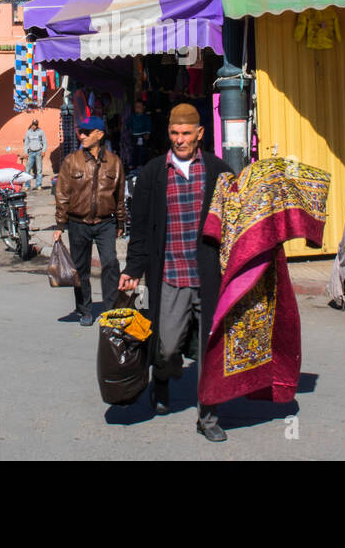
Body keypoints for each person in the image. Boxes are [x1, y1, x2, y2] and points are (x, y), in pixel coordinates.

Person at [120, 103, 233, 443]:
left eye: (186, 134)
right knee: (167, 347)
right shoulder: (153, 174)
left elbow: (234, 222)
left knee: (211, 349)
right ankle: (162, 380)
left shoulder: (219, 171)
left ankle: (209, 416)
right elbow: (140, 228)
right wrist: (134, 268)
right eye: (174, 133)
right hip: (169, 274)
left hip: (208, 277)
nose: (179, 140)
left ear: (200, 134)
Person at [52, 116, 125, 326]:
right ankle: (84, 309)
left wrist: (121, 223)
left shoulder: (114, 162)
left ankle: (111, 308)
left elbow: (119, 196)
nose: (81, 136)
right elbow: (62, 195)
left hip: (105, 223)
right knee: (80, 268)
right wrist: (59, 225)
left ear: (99, 135)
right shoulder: (71, 161)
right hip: (78, 223)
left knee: (110, 263)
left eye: (86, 132)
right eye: (80, 131)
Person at [126, 101, 152, 170]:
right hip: (134, 136)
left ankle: (141, 164)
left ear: (143, 107)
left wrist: (148, 133)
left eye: (139, 107)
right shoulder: (133, 117)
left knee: (142, 151)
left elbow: (148, 126)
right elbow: (129, 125)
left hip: (142, 136)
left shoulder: (146, 117)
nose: (137, 109)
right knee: (133, 150)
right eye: (136, 107)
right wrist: (128, 130)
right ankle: (132, 164)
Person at [22, 119, 46, 190]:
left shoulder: (41, 132)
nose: (33, 126)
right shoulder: (28, 132)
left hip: (39, 152)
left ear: (37, 125)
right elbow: (26, 144)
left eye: (35, 125)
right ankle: (27, 185)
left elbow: (45, 142)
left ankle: (38, 185)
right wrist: (26, 152)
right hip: (30, 153)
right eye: (33, 125)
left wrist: (43, 151)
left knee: (39, 170)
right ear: (31, 124)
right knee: (27, 169)